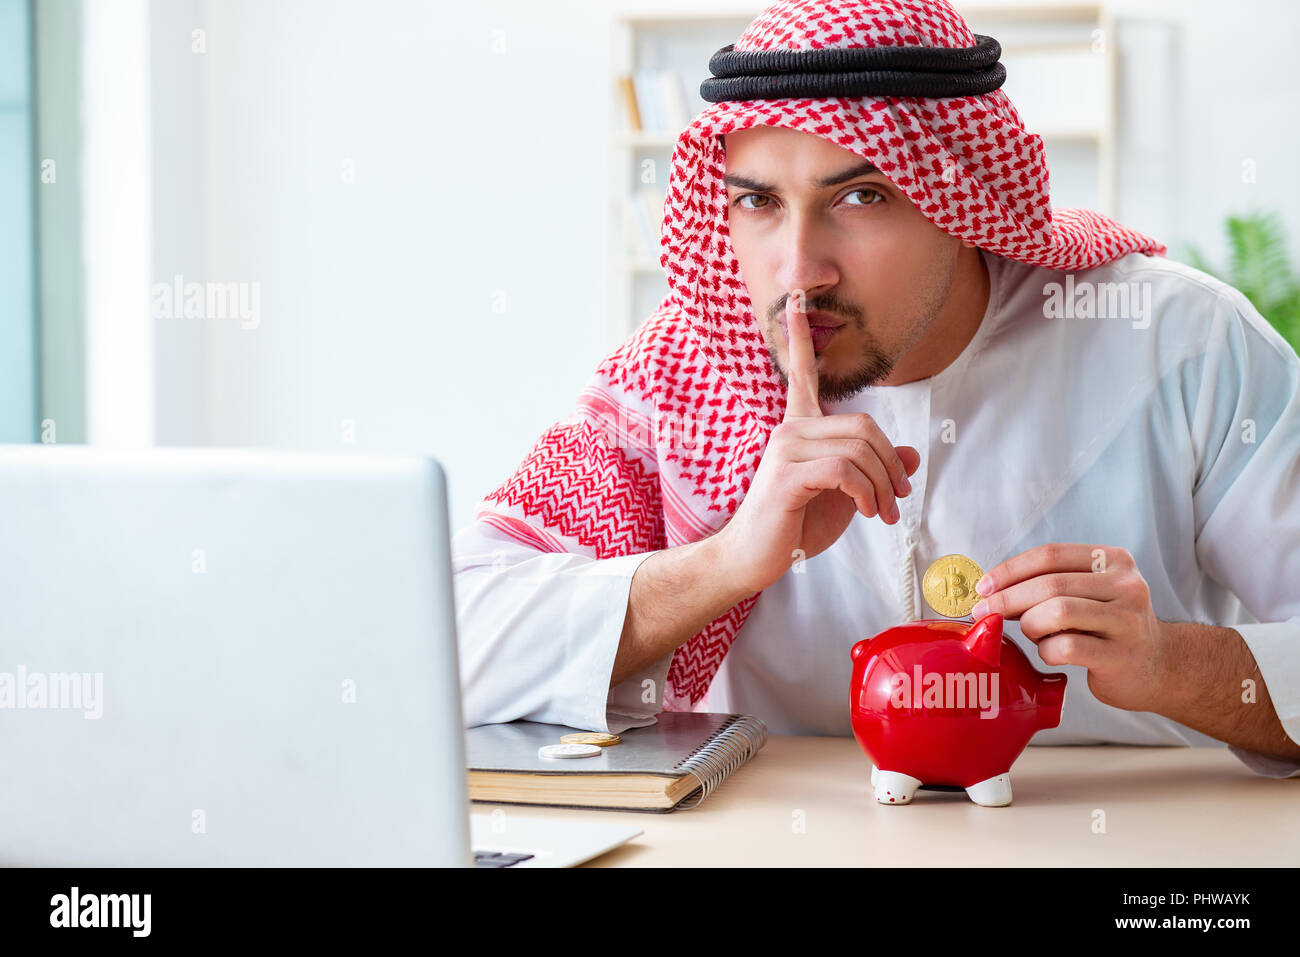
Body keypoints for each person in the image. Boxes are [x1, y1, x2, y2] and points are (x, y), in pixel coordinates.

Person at [452, 0, 1300, 778]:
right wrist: (725, 563)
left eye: (859, 196)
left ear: (959, 193)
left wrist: (1168, 664)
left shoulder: (1180, 343)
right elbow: (444, 643)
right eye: (757, 202)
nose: (798, 272)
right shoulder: (686, 369)